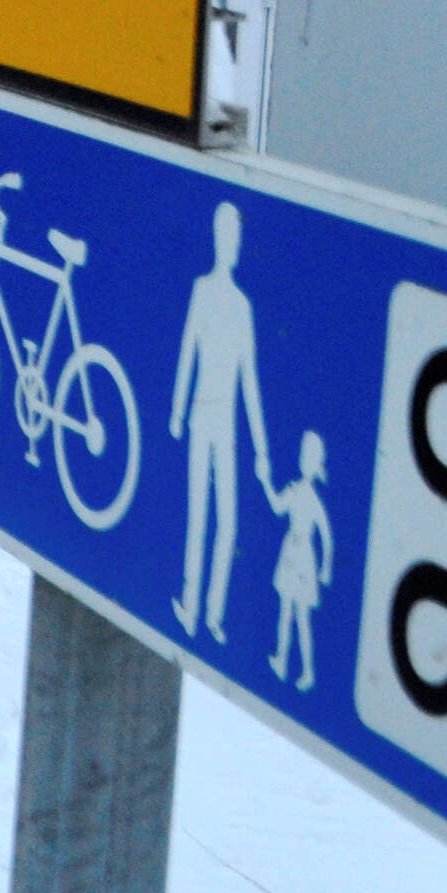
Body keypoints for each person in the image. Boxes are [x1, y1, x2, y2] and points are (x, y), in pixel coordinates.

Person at [169, 202, 275, 644]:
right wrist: (176, 410)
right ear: (216, 238)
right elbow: (186, 351)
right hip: (200, 414)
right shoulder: (201, 290)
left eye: (236, 235)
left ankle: (214, 613)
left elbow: (251, 380)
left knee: (228, 523)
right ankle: (189, 607)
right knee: (198, 515)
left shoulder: (243, 306)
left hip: (228, 422)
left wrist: (262, 449)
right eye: (226, 234)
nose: (232, 243)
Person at [267, 432, 335, 689]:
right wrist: (265, 481)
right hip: (290, 554)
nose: (304, 460)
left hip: (304, 558)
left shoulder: (314, 500)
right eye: (303, 455)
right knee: (285, 611)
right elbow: (276, 507)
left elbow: (327, 536)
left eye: (309, 457)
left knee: (302, 617)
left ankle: (308, 672)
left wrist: (326, 568)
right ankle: (281, 660)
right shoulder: (293, 490)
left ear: (316, 464)